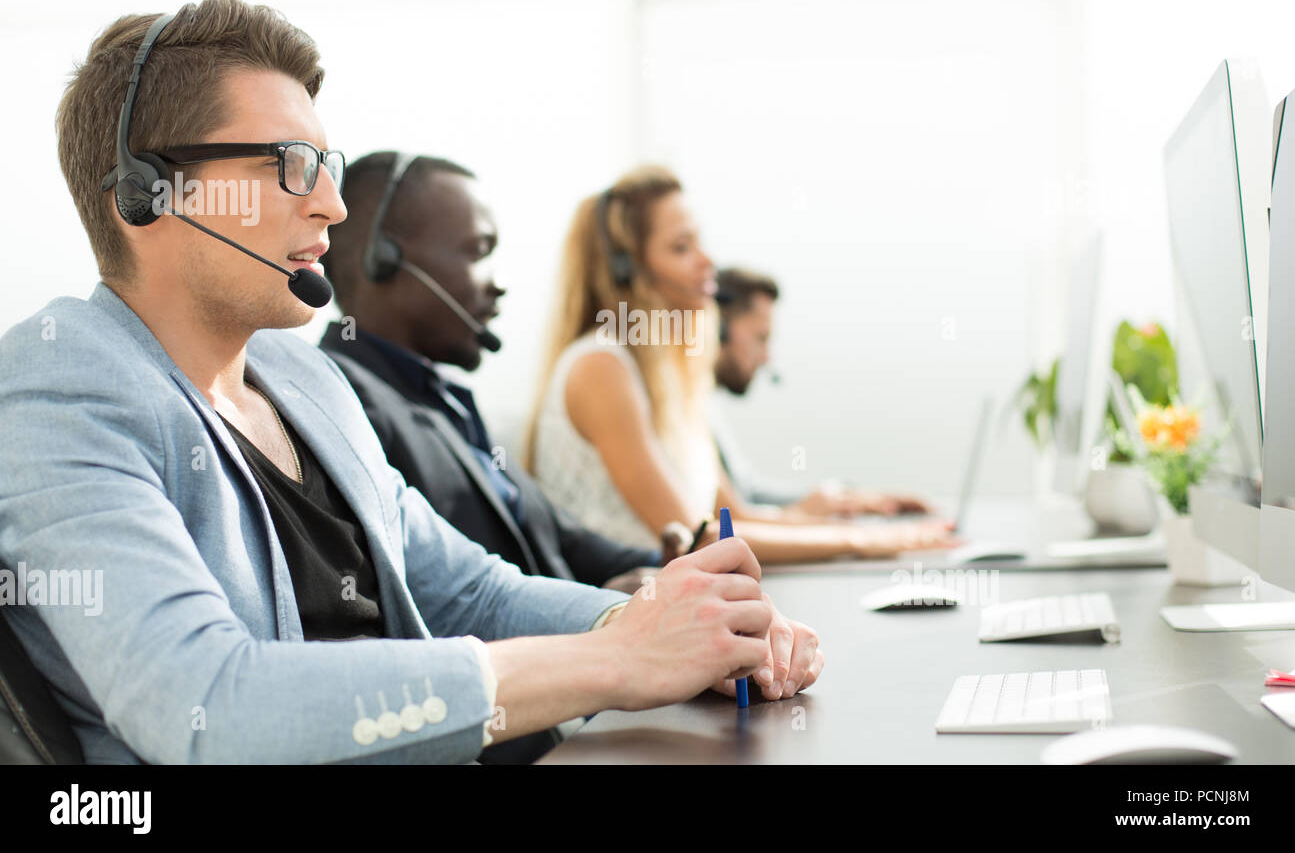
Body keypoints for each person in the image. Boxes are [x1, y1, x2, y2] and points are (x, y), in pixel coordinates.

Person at [0, 0, 821, 765]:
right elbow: (202, 702)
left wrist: (670, 626)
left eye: (328, 163)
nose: (332, 204)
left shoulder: (301, 377)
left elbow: (466, 590)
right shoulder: (61, 392)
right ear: (147, 195)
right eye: (290, 163)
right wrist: (615, 660)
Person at [523, 165, 960, 565]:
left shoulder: (669, 376)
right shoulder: (601, 368)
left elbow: (732, 516)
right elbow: (700, 539)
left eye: (699, 240)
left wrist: (863, 527)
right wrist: (863, 543)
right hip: (626, 607)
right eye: (681, 247)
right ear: (626, 272)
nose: (706, 260)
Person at [318, 151, 669, 596]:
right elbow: (445, 602)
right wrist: (600, 611)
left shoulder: (443, 396)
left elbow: (564, 540)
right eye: (478, 251)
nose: (498, 283)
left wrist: (670, 561)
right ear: (384, 260)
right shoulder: (349, 405)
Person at [713, 266, 933, 518]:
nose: (766, 357)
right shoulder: (680, 409)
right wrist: (802, 515)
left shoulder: (703, 404)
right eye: (761, 338)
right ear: (719, 330)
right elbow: (728, 519)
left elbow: (746, 492)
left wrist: (850, 499)